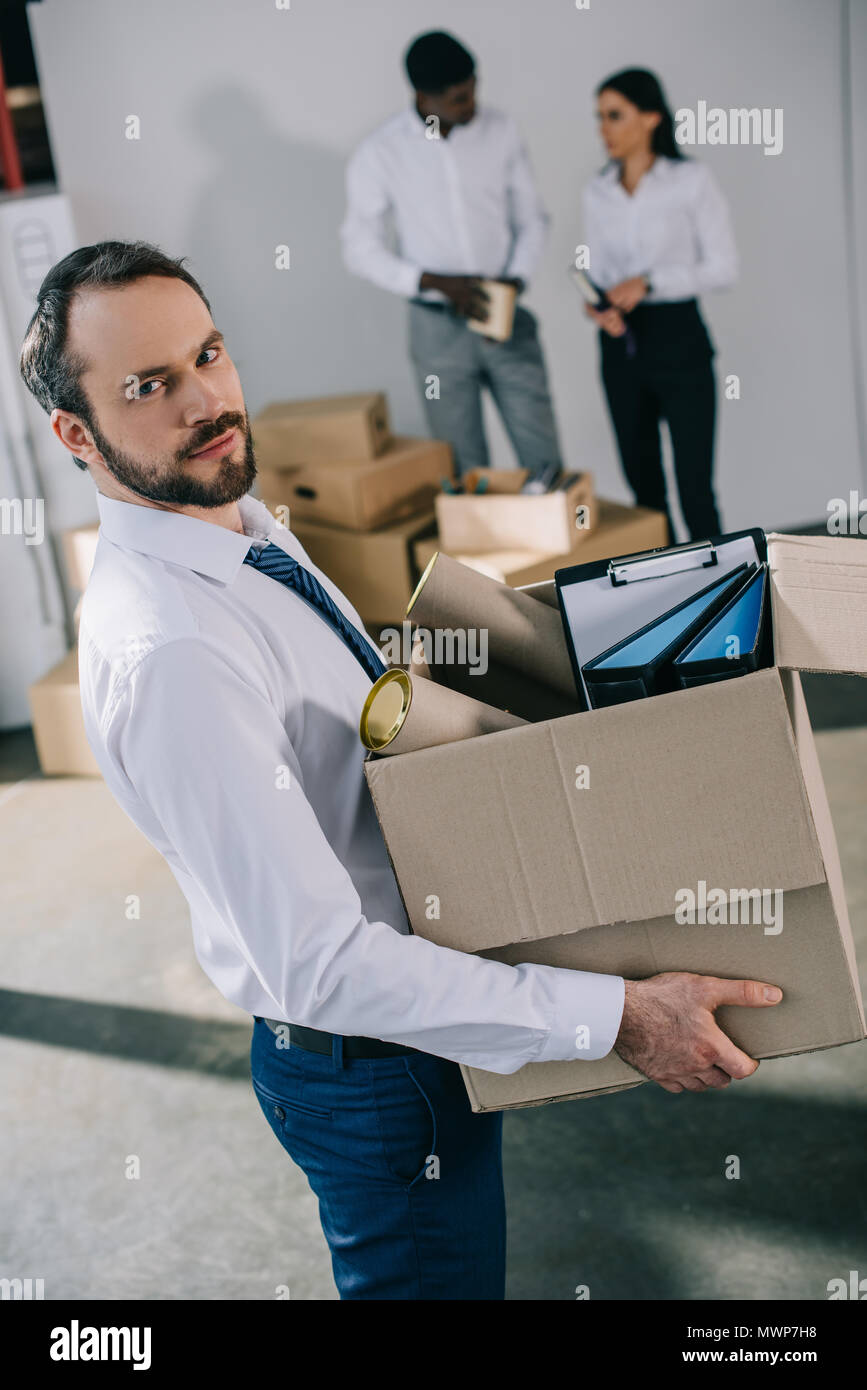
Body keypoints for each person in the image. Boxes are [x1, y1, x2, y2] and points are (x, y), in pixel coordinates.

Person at [19, 241, 782, 1301]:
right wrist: (621, 1017)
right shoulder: (176, 652)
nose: (207, 400)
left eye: (210, 353)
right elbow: (321, 965)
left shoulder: (233, 522)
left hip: (408, 1030)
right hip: (375, 1065)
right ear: (75, 432)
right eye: (149, 386)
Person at [341, 30, 564, 479]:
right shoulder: (381, 152)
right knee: (465, 471)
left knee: (546, 465)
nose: (472, 105)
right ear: (424, 96)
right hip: (436, 329)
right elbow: (358, 248)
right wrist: (435, 282)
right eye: (459, 98)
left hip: (505, 316)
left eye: (474, 88)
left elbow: (533, 220)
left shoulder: (501, 131)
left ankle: (561, 545)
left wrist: (514, 282)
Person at [581, 68, 738, 542]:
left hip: (680, 340)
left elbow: (724, 267)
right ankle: (670, 602)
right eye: (599, 118)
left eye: (615, 115)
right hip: (620, 348)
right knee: (645, 491)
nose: (603, 129)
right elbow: (601, 272)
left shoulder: (691, 180)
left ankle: (730, 595)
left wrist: (650, 282)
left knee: (695, 489)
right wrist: (596, 306)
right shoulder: (597, 190)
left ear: (651, 117)